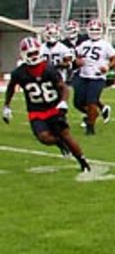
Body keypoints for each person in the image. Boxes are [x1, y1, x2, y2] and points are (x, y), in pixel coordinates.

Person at [3, 36, 90, 172]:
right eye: (30, 54)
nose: (33, 56)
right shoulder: (19, 73)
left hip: (54, 107)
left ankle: (83, 161)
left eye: (35, 53)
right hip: (36, 110)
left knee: (65, 134)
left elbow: (63, 87)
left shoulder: (49, 69)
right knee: (44, 138)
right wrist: (6, 106)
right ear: (24, 54)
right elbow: (10, 88)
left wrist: (63, 103)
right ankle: (59, 143)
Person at [73, 19, 115, 134]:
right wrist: (77, 61)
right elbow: (76, 56)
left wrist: (107, 67)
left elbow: (114, 58)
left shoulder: (105, 45)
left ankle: (90, 127)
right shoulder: (84, 44)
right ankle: (94, 113)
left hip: (97, 77)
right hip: (84, 75)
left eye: (97, 29)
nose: (94, 32)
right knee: (77, 102)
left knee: (91, 101)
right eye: (92, 29)